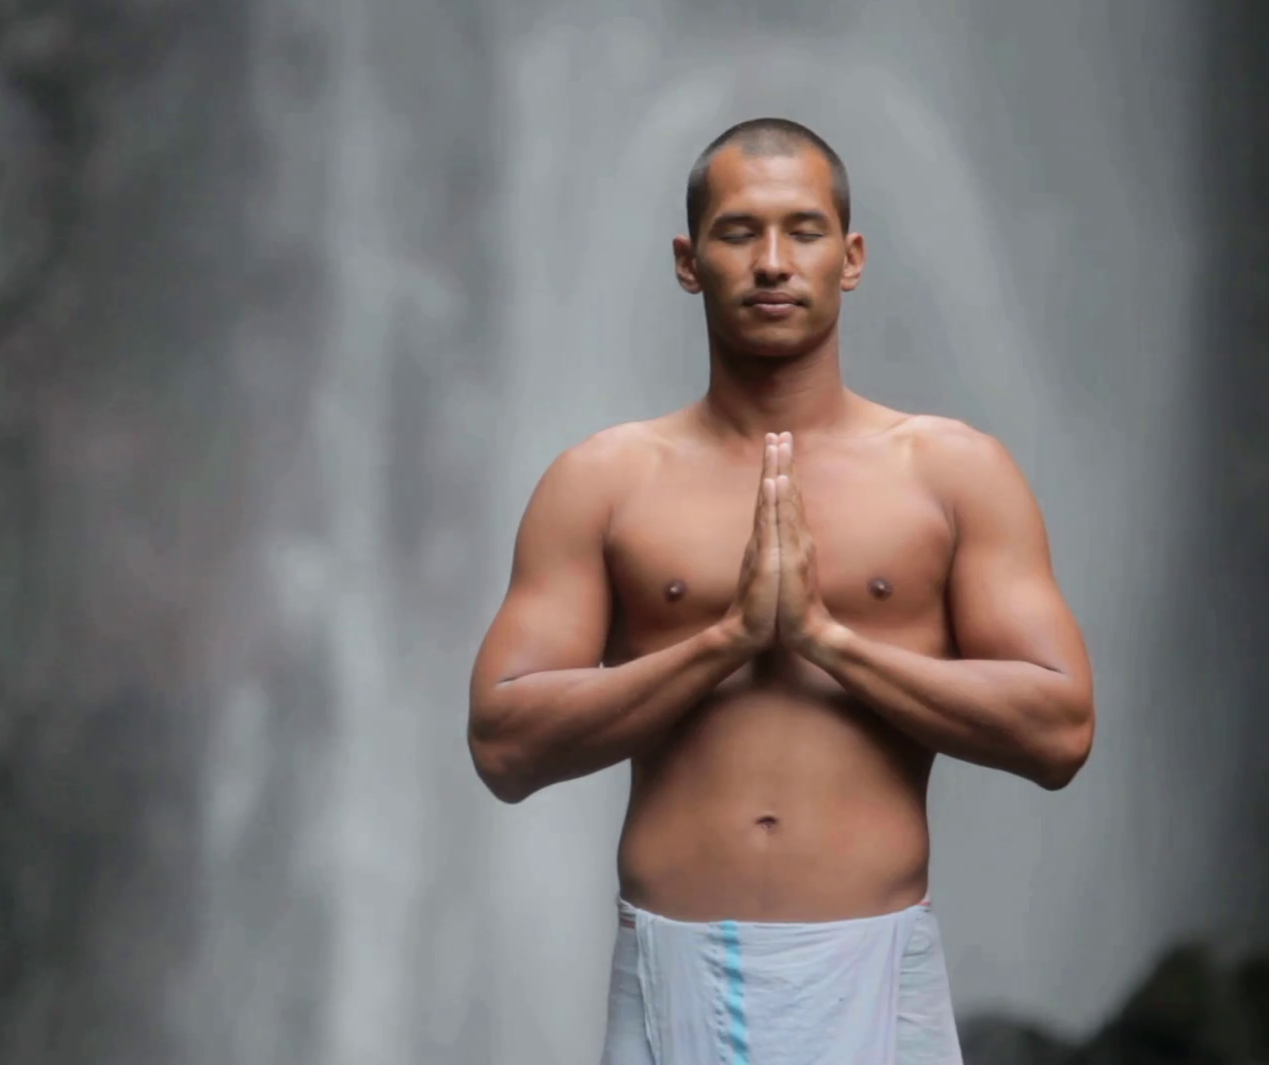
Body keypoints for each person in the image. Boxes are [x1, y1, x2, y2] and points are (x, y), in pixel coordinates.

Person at [466, 117, 1095, 1064]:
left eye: (802, 231)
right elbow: (502, 745)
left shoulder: (954, 473)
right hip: (670, 967)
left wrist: (826, 639)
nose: (770, 261)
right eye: (736, 231)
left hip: (878, 968)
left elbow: (1060, 733)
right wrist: (723, 640)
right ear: (688, 261)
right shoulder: (601, 481)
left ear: (851, 257)